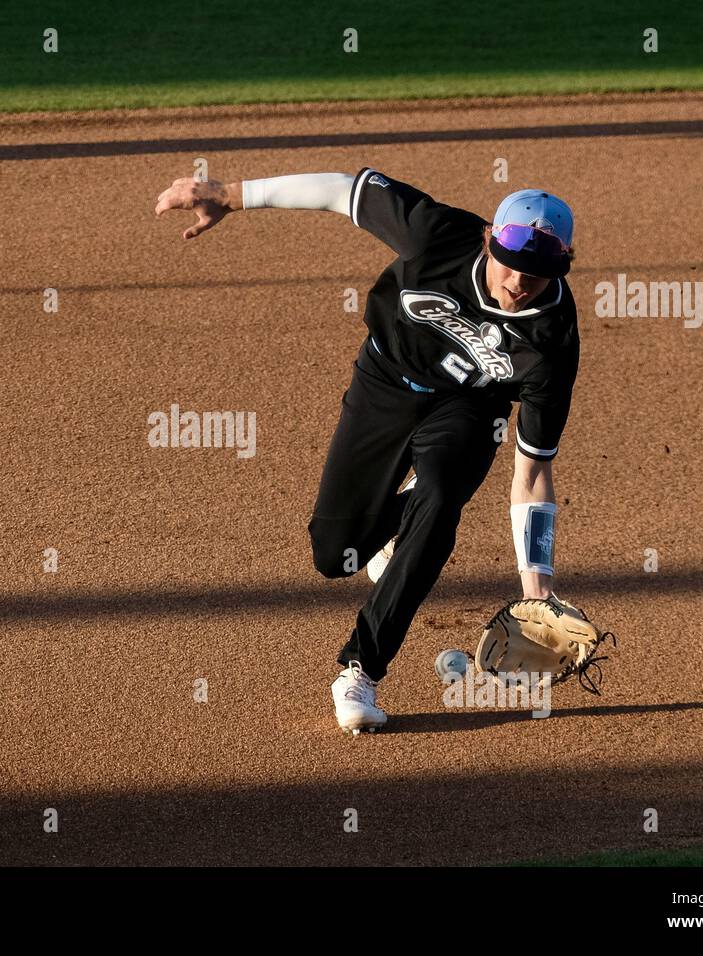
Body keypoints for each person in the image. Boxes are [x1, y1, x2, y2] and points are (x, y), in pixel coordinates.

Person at [155, 169, 579, 734]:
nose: (521, 281)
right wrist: (229, 196)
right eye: (509, 261)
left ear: (564, 264)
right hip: (384, 383)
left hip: (470, 410)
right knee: (335, 556)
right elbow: (342, 190)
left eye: (540, 271)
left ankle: (361, 670)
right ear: (488, 240)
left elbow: (532, 473)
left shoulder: (553, 342)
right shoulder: (436, 233)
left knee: (441, 499)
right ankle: (400, 522)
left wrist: (538, 593)